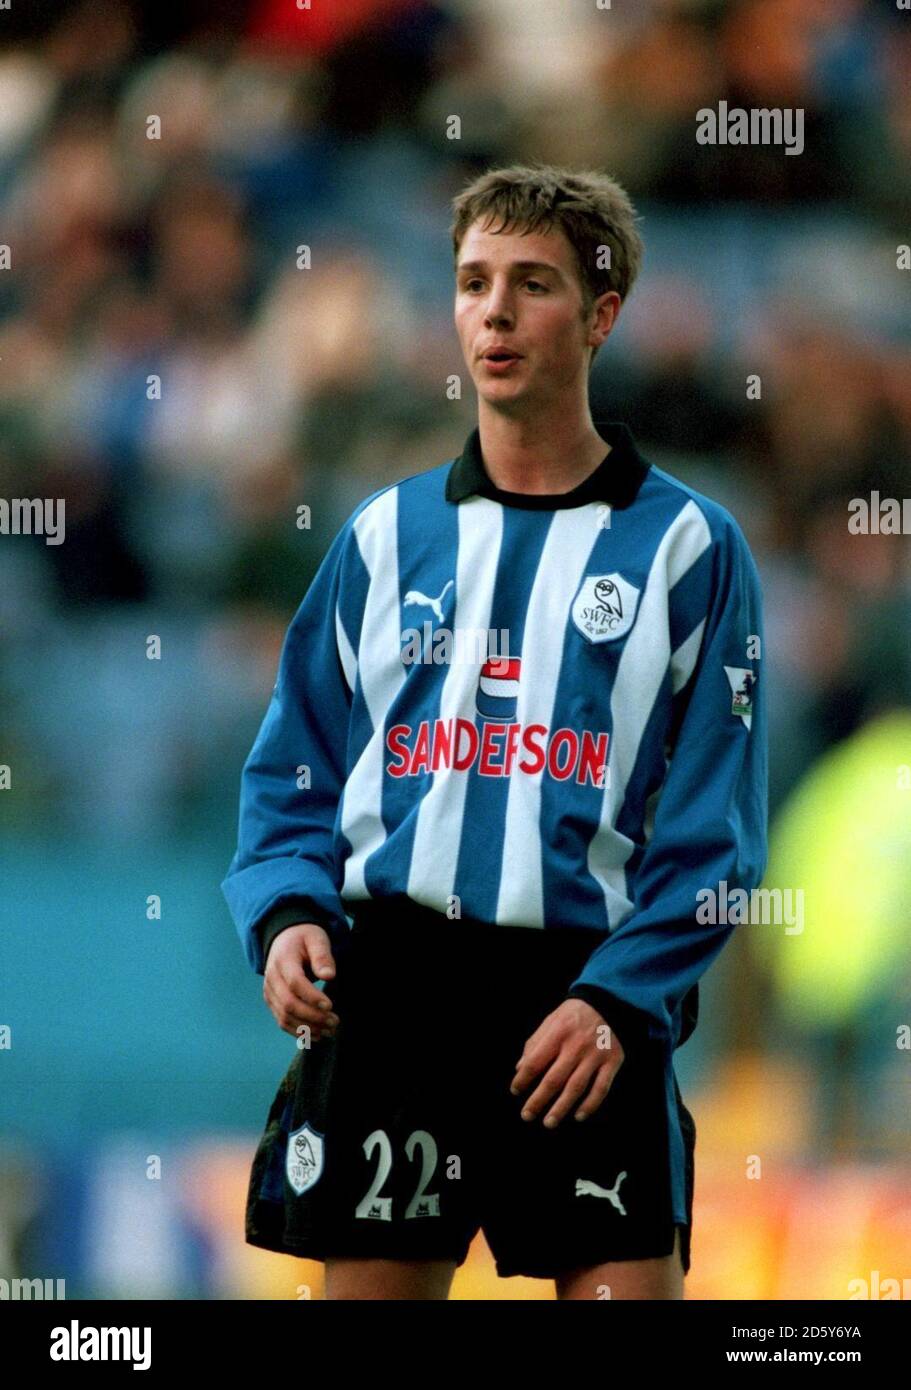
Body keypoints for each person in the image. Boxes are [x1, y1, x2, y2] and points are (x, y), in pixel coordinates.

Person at [222, 163, 768, 1300]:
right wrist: (285, 913)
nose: (496, 312)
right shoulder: (383, 536)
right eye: (474, 283)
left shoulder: (689, 550)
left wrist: (620, 996)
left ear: (601, 315)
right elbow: (292, 770)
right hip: (394, 994)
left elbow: (714, 835)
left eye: (533, 283)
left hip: (586, 1001)